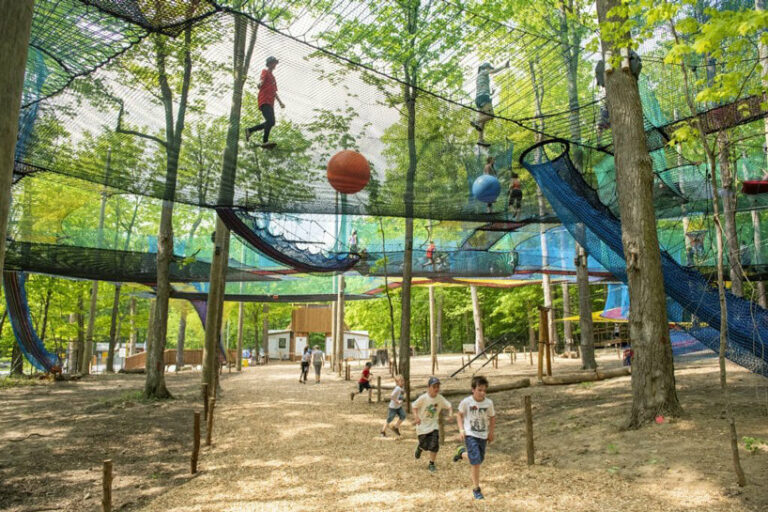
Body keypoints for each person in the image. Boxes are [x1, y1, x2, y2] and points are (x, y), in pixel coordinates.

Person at [453, 376, 496, 500]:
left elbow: (492, 417)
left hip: (483, 435)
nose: (482, 393)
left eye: (484, 390)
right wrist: (461, 430)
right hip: (470, 434)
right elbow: (459, 415)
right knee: (476, 461)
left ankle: (461, 454)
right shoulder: (466, 402)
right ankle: (476, 488)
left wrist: (491, 432)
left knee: (478, 459)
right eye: (479, 390)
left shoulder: (489, 403)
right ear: (473, 389)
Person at [412, 377, 453, 473]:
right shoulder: (423, 398)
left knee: (434, 445)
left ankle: (431, 463)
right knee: (425, 445)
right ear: (429, 387)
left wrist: (450, 414)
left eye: (438, 386)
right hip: (422, 426)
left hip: (433, 425)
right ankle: (420, 447)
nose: (436, 388)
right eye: (434, 386)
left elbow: (449, 405)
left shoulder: (440, 398)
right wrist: (416, 417)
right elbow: (414, 406)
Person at [245, 56, 285, 146]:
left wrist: (280, 102)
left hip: (270, 102)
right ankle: (264, 141)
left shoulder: (273, 78)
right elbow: (261, 80)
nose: (275, 64)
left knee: (271, 122)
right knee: (270, 121)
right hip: (264, 99)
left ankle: (250, 130)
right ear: (269, 63)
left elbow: (274, 92)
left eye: (275, 63)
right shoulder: (265, 71)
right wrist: (260, 83)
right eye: (274, 62)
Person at [470, 61, 509, 146]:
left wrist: (491, 93)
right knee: (490, 115)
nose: (490, 70)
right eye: (489, 68)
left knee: (482, 122)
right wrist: (504, 67)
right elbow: (493, 72)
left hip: (478, 99)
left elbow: (482, 88)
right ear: (485, 68)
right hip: (484, 97)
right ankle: (475, 121)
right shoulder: (483, 72)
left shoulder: (479, 77)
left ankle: (480, 139)